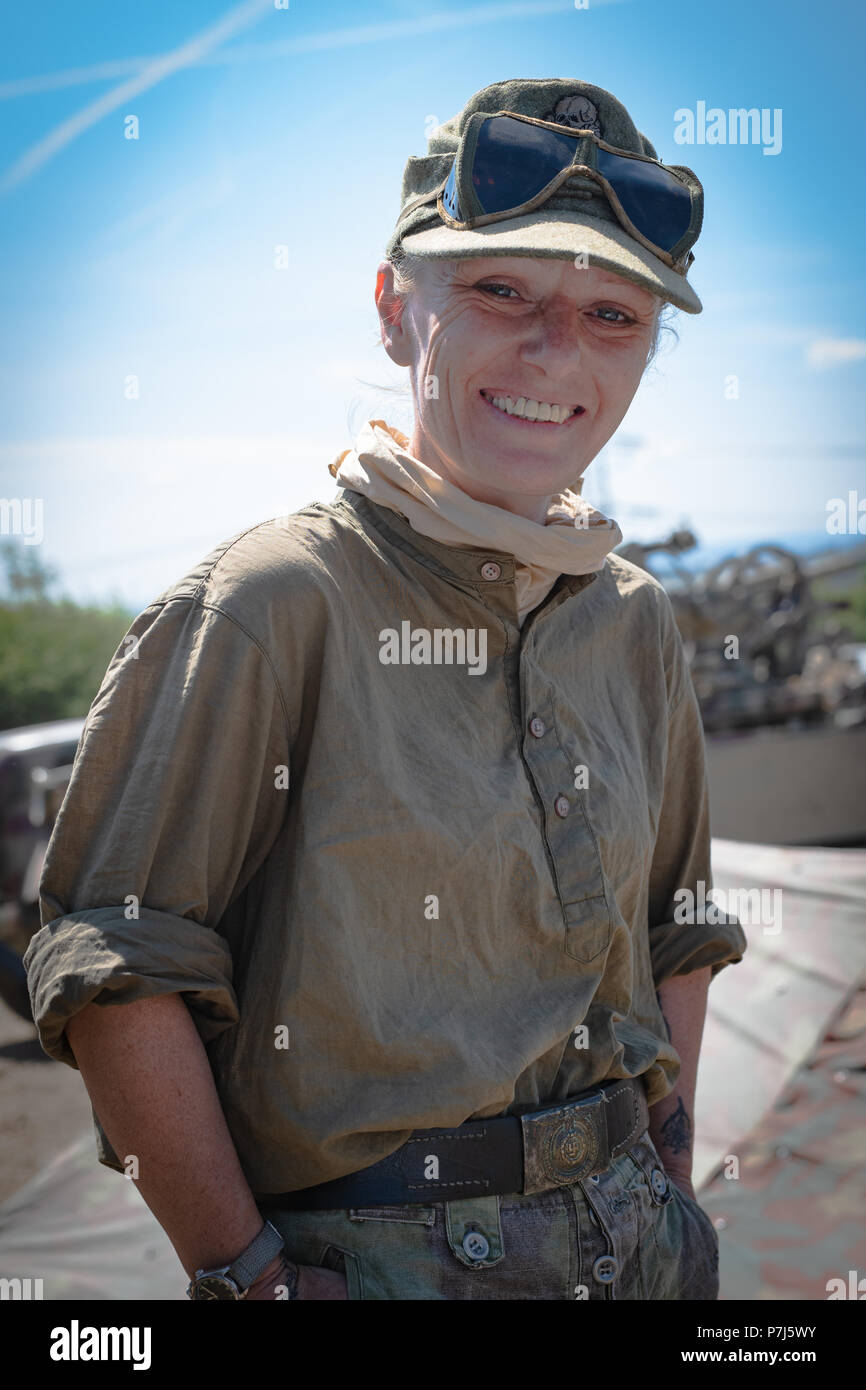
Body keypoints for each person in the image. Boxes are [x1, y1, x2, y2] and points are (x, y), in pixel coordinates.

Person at [24, 77, 747, 1301]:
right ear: (392, 310)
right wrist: (247, 1278)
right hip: (384, 1259)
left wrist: (670, 1181)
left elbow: (677, 923)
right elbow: (115, 965)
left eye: (612, 315)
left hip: (643, 1243)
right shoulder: (267, 603)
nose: (553, 350)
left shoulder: (630, 619)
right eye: (498, 291)